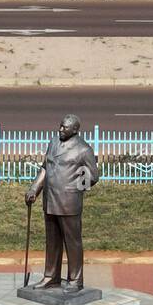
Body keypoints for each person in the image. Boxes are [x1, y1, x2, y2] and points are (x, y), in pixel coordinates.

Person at [24, 113, 100, 293]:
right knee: (52, 242)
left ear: (75, 130)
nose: (60, 130)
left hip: (69, 203)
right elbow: (45, 167)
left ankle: (75, 279)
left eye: (65, 128)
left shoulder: (83, 149)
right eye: (60, 126)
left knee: (72, 243)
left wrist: (76, 189)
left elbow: (94, 175)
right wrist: (34, 189)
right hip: (50, 200)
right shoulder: (53, 142)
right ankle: (51, 276)